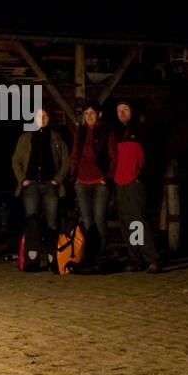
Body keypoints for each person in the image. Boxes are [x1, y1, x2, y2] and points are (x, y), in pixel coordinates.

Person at [113, 100, 161, 273]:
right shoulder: (117, 132)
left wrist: (141, 177)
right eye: (119, 111)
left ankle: (152, 259)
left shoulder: (142, 131)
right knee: (127, 222)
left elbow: (150, 156)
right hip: (120, 183)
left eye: (125, 109)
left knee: (138, 221)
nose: (122, 113)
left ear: (132, 111)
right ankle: (135, 259)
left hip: (134, 182)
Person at [70, 101, 118, 262]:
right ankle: (88, 253)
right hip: (82, 181)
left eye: (92, 113)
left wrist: (107, 177)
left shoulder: (106, 131)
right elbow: (75, 154)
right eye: (86, 113)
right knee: (87, 220)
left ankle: (102, 252)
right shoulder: (80, 131)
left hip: (99, 181)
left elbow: (114, 156)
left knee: (99, 219)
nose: (89, 116)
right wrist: (74, 177)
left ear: (99, 114)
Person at [11, 108, 70, 235]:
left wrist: (58, 179)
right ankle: (33, 252)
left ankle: (51, 252)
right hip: (31, 184)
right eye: (39, 116)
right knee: (32, 222)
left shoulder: (57, 137)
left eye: (45, 116)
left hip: (50, 185)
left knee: (52, 222)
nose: (42, 119)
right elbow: (15, 160)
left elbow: (66, 161)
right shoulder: (25, 138)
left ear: (49, 118)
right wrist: (22, 179)